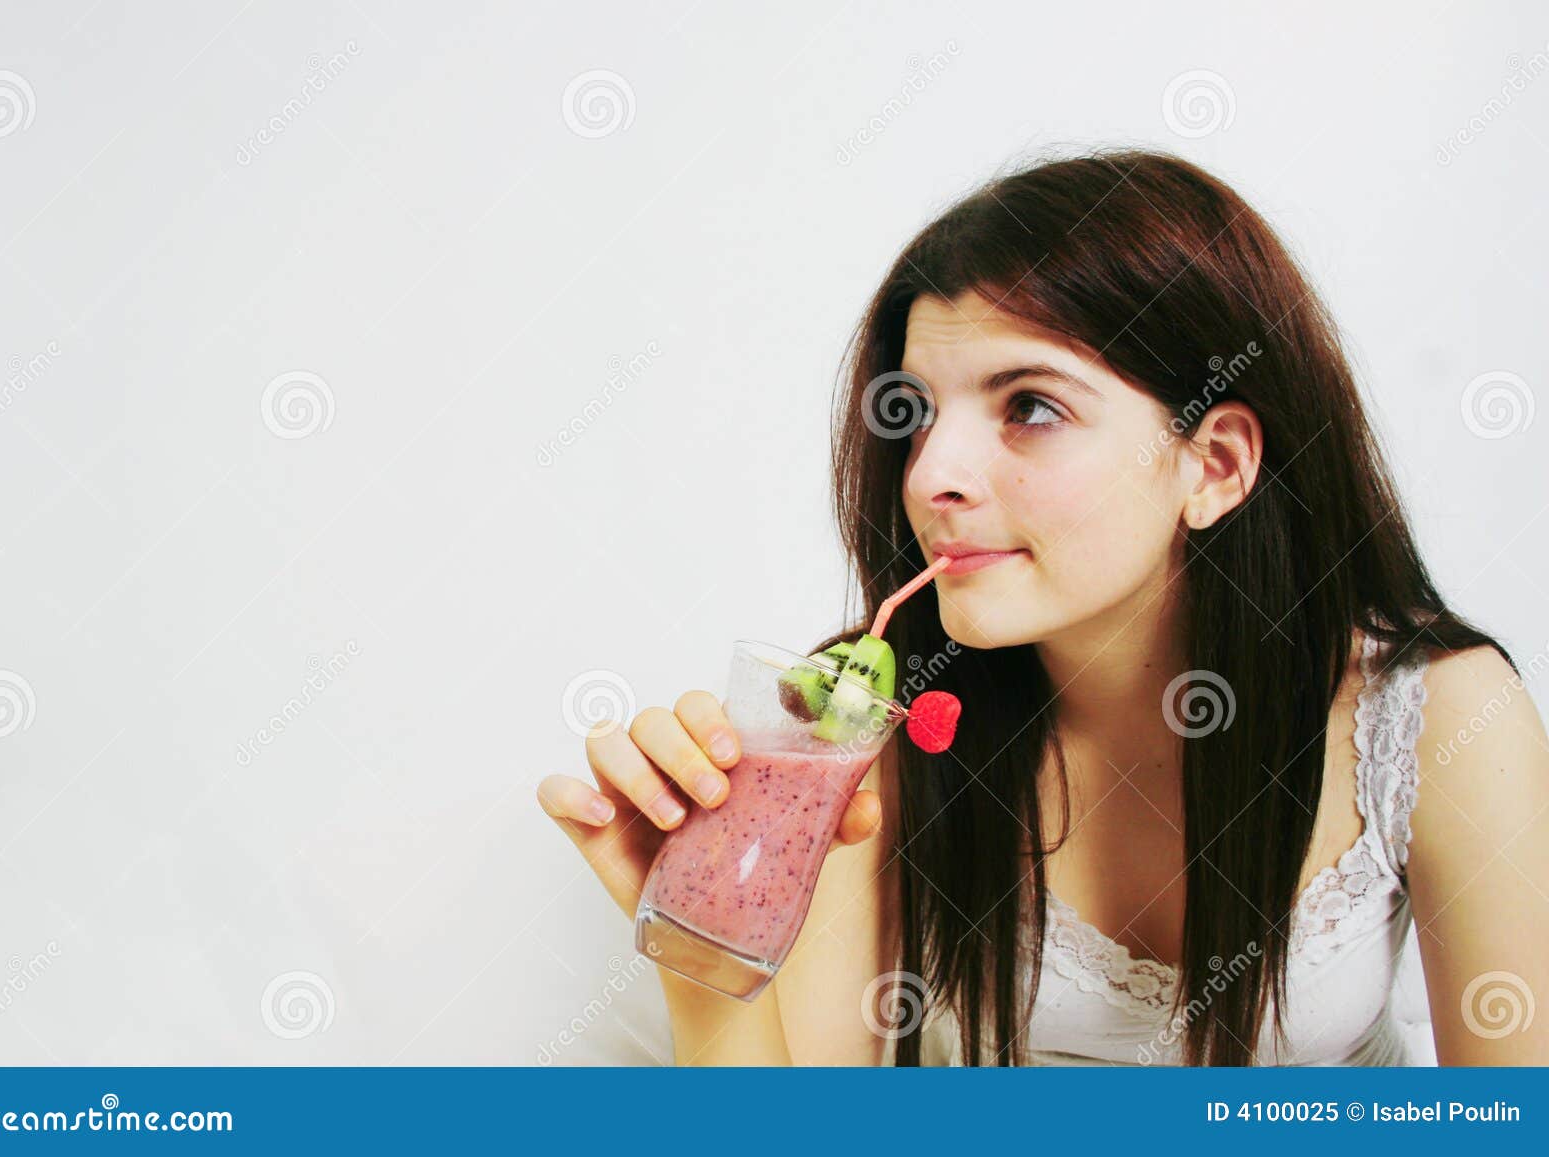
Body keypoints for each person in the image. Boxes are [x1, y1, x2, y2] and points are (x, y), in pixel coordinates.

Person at [537, 149, 1549, 1065]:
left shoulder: (1437, 714)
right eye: (917, 413)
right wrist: (703, 948)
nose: (931, 472)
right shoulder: (861, 718)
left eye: (1029, 405)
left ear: (1215, 463)